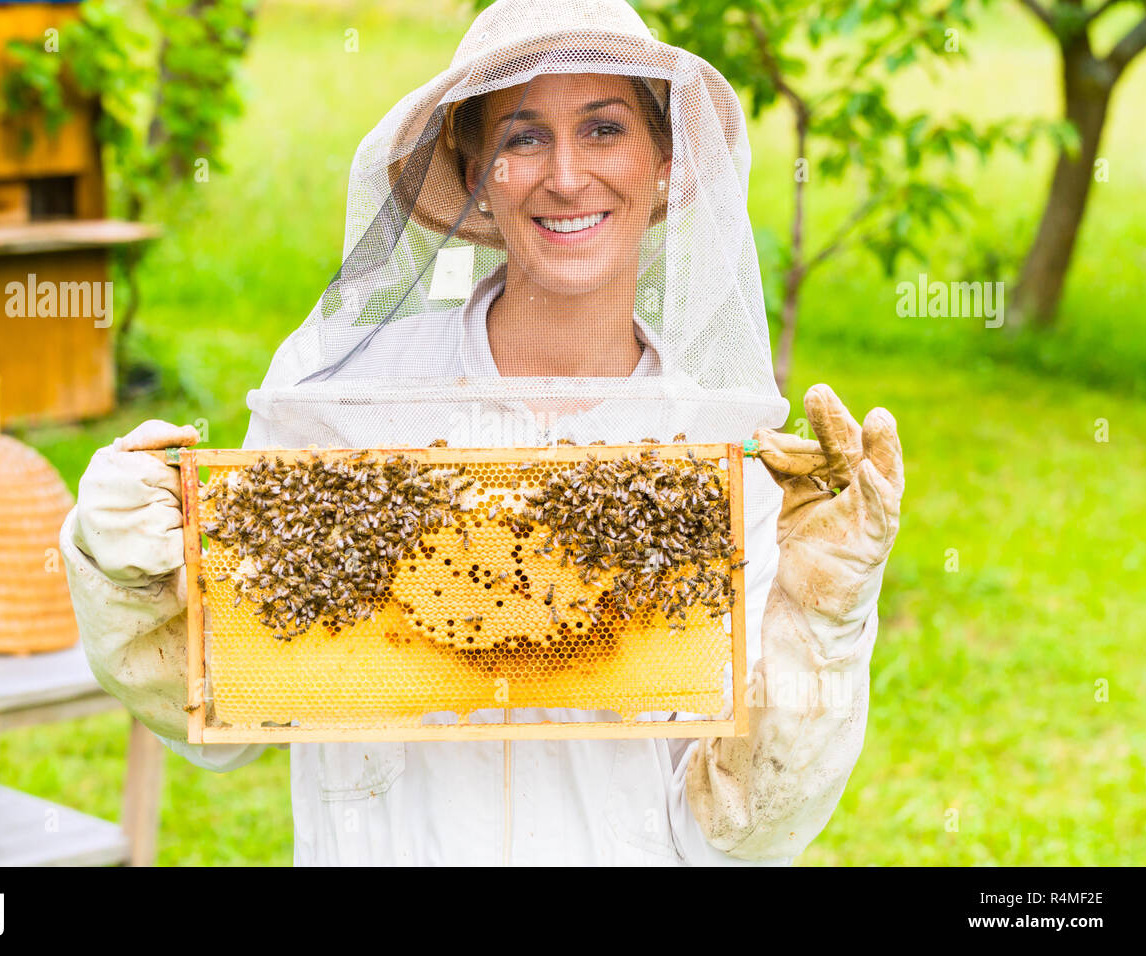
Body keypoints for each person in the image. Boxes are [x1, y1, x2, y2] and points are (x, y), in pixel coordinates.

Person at [62, 0, 904, 865]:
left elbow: (737, 830)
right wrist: (128, 571)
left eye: (605, 129)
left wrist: (821, 620)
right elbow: (221, 713)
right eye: (523, 137)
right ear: (474, 172)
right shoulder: (348, 400)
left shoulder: (723, 455)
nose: (567, 177)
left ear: (663, 164)